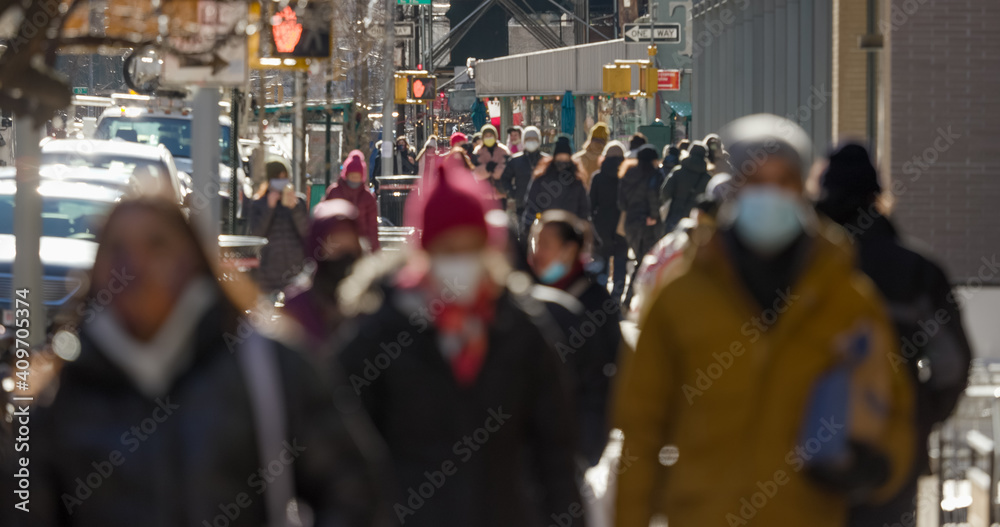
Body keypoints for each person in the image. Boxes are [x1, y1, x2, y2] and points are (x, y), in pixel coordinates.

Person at [12, 197, 393, 527]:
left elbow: (354, 489)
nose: (135, 264)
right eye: (117, 248)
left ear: (191, 260)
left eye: (156, 245)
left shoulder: (268, 366)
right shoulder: (61, 393)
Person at [613, 114, 915, 527]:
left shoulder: (844, 297)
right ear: (734, 189)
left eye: (784, 180)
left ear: (803, 189)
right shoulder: (681, 297)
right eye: (756, 180)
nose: (770, 193)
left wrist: (876, 467)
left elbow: (894, 407)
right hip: (703, 514)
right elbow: (641, 428)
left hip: (805, 514)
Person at [334, 159, 584, 527]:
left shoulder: (519, 331)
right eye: (449, 249)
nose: (461, 262)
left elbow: (556, 458)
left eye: (472, 247)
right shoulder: (379, 334)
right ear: (425, 251)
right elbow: (343, 466)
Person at [814, 142, 972, 527]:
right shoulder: (916, 271)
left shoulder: (799, 269)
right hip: (891, 447)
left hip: (802, 447)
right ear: (878, 197)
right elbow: (951, 364)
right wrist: (919, 414)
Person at [527, 210, 622, 467]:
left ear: (569, 250)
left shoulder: (597, 302)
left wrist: (590, 443)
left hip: (579, 435)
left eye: (544, 245)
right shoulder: (525, 297)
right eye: (534, 244)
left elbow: (610, 372)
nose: (536, 253)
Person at [282, 198, 365, 355]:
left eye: (349, 247)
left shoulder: (371, 301)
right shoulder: (298, 305)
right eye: (335, 246)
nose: (344, 256)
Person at [249, 160, 309, 295]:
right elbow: (257, 233)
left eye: (284, 178)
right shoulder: (259, 204)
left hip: (294, 267)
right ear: (270, 180)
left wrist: (295, 209)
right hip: (269, 268)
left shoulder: (298, 202)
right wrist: (269, 208)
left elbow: (305, 231)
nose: (282, 182)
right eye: (278, 178)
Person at [618, 144, 664, 310]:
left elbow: (621, 202)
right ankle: (632, 300)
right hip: (647, 223)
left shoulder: (628, 173)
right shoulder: (655, 175)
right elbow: (653, 195)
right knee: (645, 262)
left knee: (640, 259)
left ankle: (631, 300)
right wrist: (653, 215)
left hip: (631, 223)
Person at [520, 135, 590, 238]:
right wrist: (527, 225)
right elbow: (532, 203)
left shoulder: (577, 180)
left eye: (565, 157)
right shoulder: (542, 177)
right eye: (560, 157)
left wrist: (587, 231)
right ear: (554, 157)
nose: (562, 160)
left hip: (570, 232)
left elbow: (584, 209)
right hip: (547, 231)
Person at [589, 140, 628, 305]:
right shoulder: (626, 176)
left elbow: (591, 204)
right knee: (620, 263)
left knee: (602, 262)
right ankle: (617, 298)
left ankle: (601, 297)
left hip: (602, 224)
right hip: (622, 225)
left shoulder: (598, 177)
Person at [325, 150, 380, 251]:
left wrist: (375, 249)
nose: (354, 179)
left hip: (360, 245)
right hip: (337, 243)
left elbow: (372, 226)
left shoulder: (367, 197)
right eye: (352, 176)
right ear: (346, 175)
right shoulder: (334, 192)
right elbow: (325, 219)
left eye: (357, 176)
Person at [499, 126, 547, 228]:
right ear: (524, 141)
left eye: (534, 139)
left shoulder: (546, 160)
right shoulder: (516, 160)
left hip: (544, 204)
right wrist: (512, 193)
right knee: (524, 233)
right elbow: (505, 178)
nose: (531, 142)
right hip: (522, 204)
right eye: (528, 139)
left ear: (538, 141)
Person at [659, 140, 712, 233]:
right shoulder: (708, 178)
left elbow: (665, 191)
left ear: (689, 152)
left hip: (675, 216)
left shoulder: (678, 172)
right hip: (695, 221)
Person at [573, 122, 609, 188]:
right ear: (606, 140)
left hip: (582, 196)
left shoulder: (578, 158)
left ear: (590, 138)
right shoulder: (608, 160)